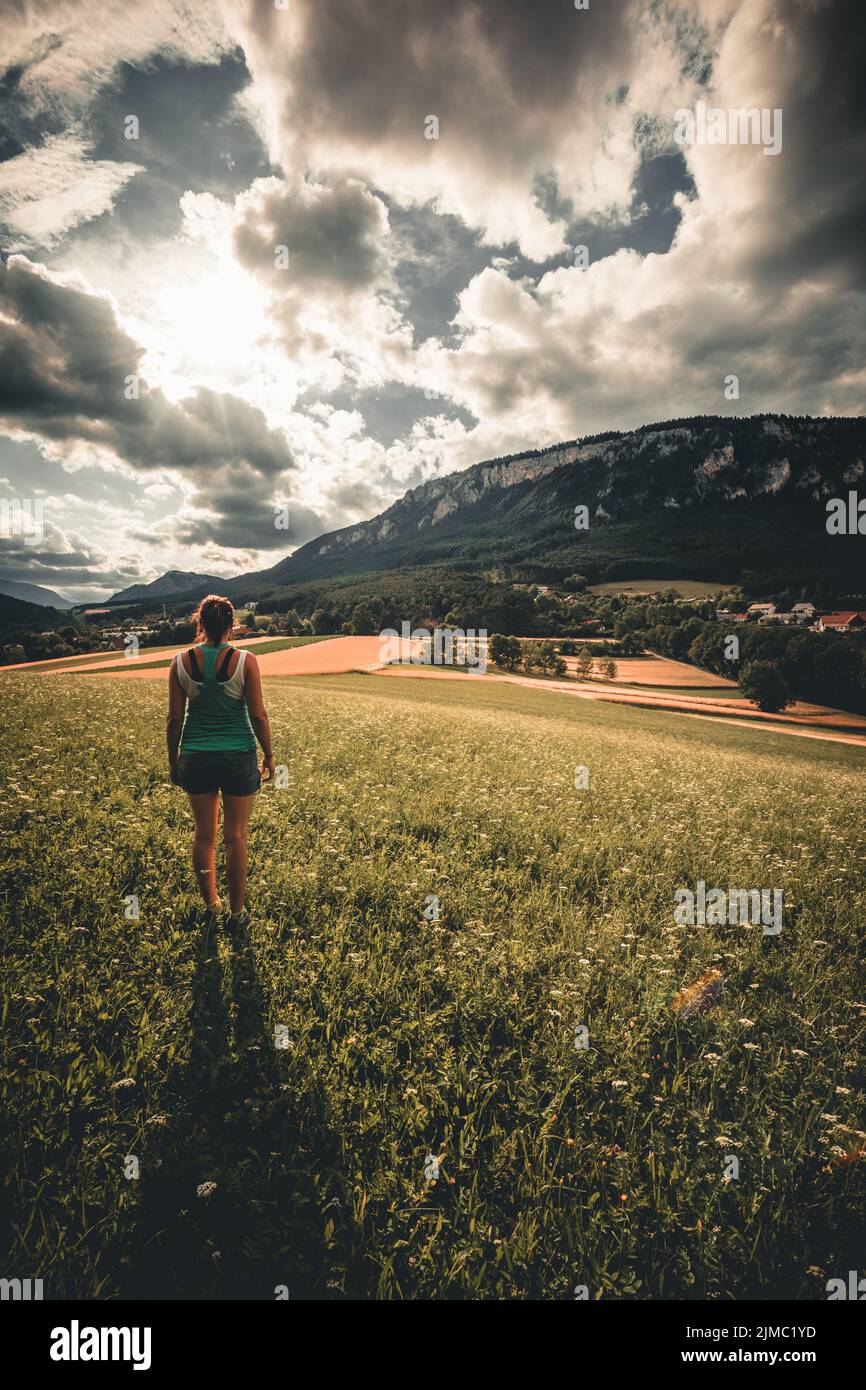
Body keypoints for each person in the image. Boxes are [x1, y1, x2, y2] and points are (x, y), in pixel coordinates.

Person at [166, 594, 275, 928]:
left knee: (203, 835)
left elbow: (174, 719)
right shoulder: (246, 661)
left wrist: (174, 761)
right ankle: (237, 912)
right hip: (238, 756)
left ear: (200, 623)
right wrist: (269, 755)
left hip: (196, 757)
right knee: (236, 836)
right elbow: (257, 714)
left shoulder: (180, 662)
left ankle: (212, 904)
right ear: (231, 624)